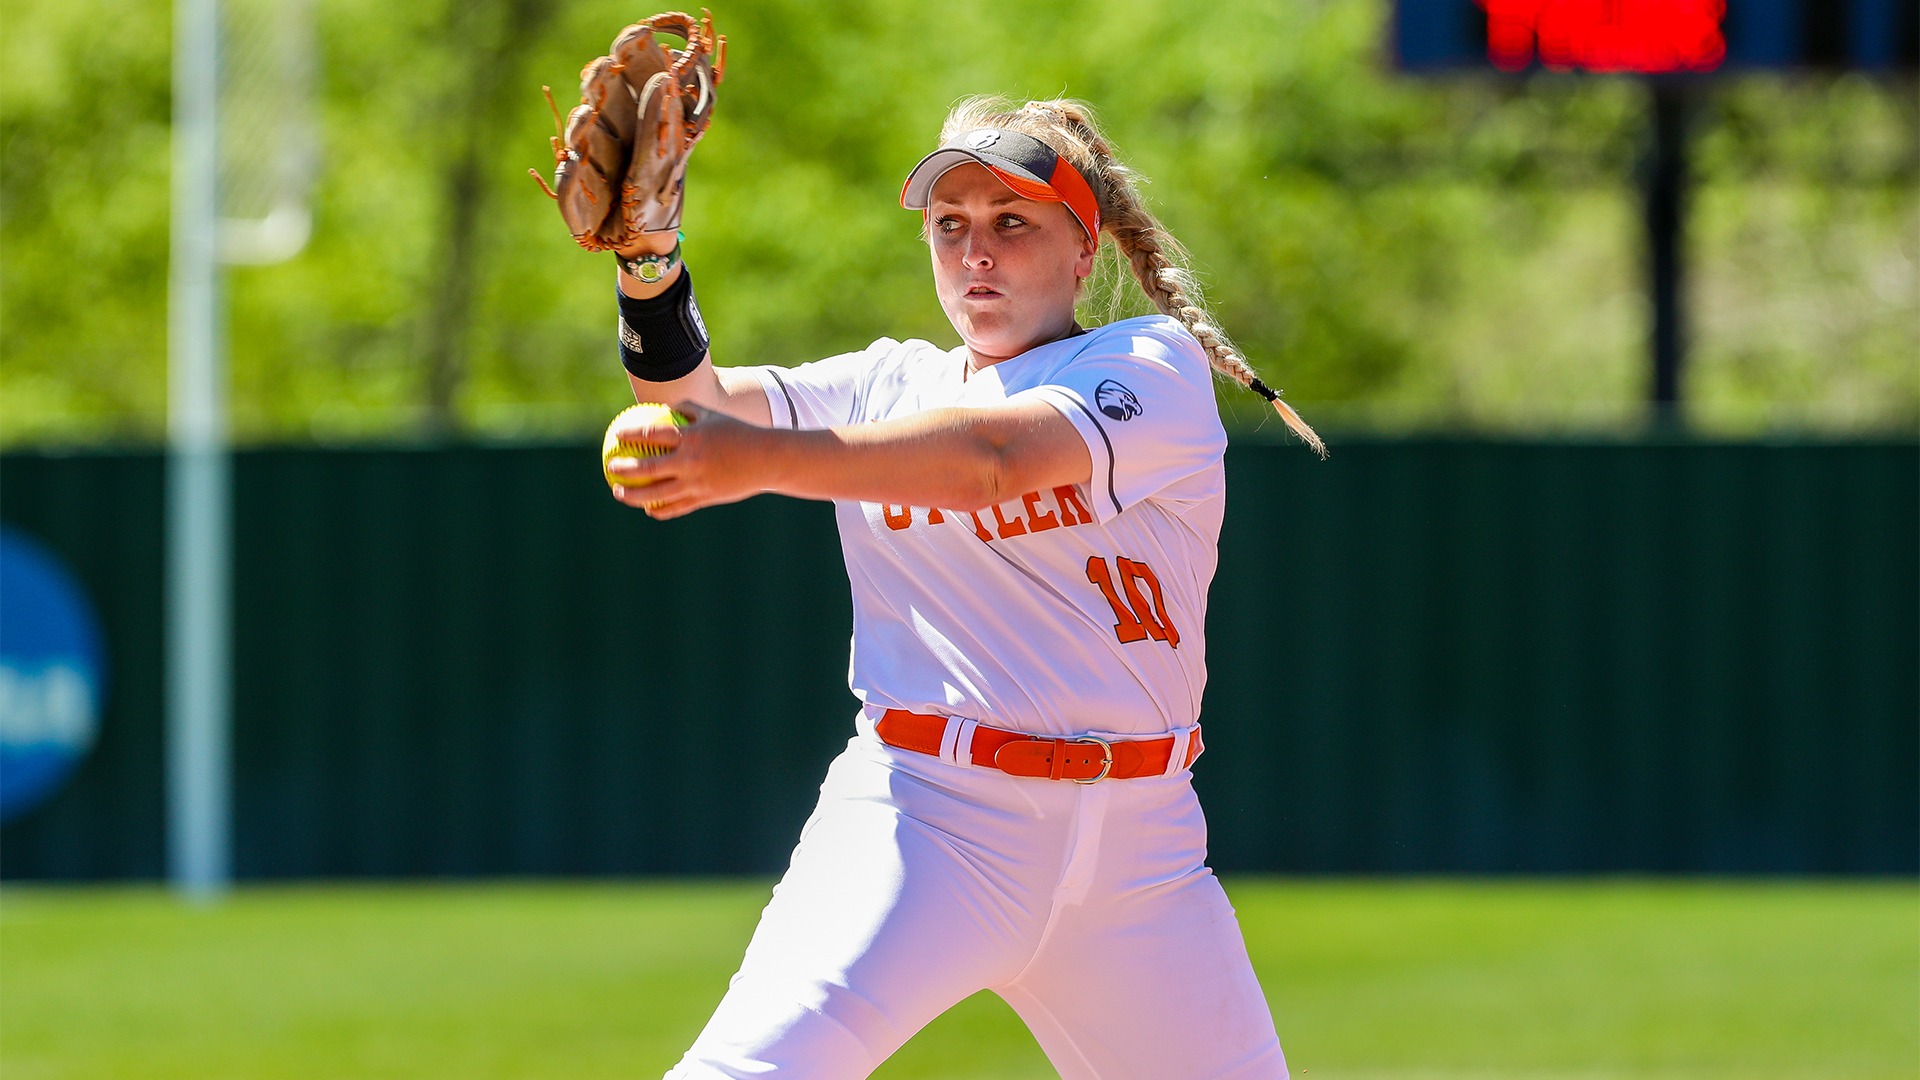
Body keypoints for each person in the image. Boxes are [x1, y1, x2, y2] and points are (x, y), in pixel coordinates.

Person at [600, 96, 1320, 1080]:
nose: (976, 249)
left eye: (1011, 222)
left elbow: (995, 459)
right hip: (928, 818)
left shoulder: (1148, 365)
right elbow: (698, 411)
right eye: (951, 225)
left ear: (1084, 249)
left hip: (1140, 853)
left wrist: (755, 459)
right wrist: (648, 264)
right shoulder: (885, 385)